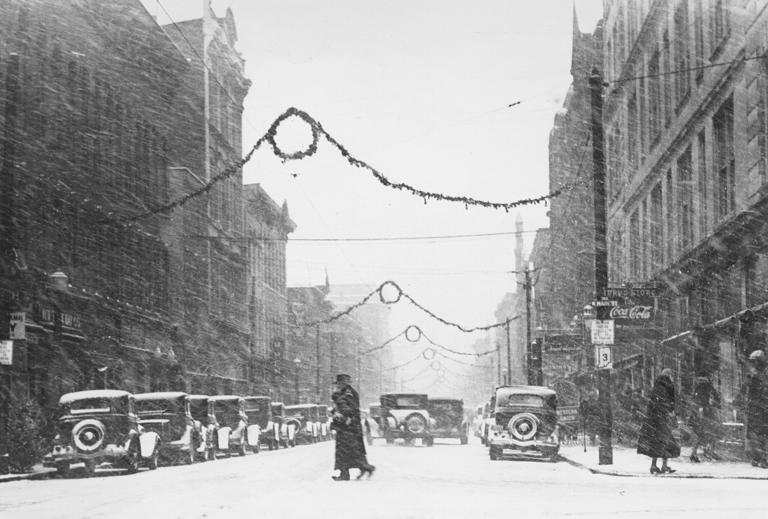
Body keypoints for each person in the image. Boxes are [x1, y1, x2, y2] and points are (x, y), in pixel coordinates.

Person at [330, 373, 375, 481]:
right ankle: (361, 469)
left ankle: (360, 469)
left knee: (347, 451)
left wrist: (340, 413)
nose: (337, 386)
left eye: (339, 384)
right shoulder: (348, 393)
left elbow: (348, 409)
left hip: (348, 428)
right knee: (353, 450)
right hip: (351, 427)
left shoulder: (346, 394)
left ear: (342, 383)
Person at [637, 368, 680, 474]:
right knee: (665, 442)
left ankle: (656, 465)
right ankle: (661, 466)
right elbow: (666, 403)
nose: (672, 378)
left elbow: (653, 404)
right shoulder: (666, 387)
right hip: (662, 419)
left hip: (655, 420)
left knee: (658, 443)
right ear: (669, 376)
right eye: (672, 376)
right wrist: (669, 411)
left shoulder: (657, 386)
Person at [741, 350, 768, 468]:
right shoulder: (752, 374)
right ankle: (758, 457)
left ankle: (762, 458)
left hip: (761, 408)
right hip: (755, 408)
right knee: (754, 434)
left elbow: (745, 388)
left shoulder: (760, 374)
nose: (753, 364)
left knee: (760, 434)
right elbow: (744, 388)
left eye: (755, 361)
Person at [688, 372, 721, 463]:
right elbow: (716, 398)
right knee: (711, 432)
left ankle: (694, 453)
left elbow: (695, 400)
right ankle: (708, 451)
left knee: (697, 434)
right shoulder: (708, 387)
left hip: (697, 414)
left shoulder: (698, 387)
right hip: (706, 414)